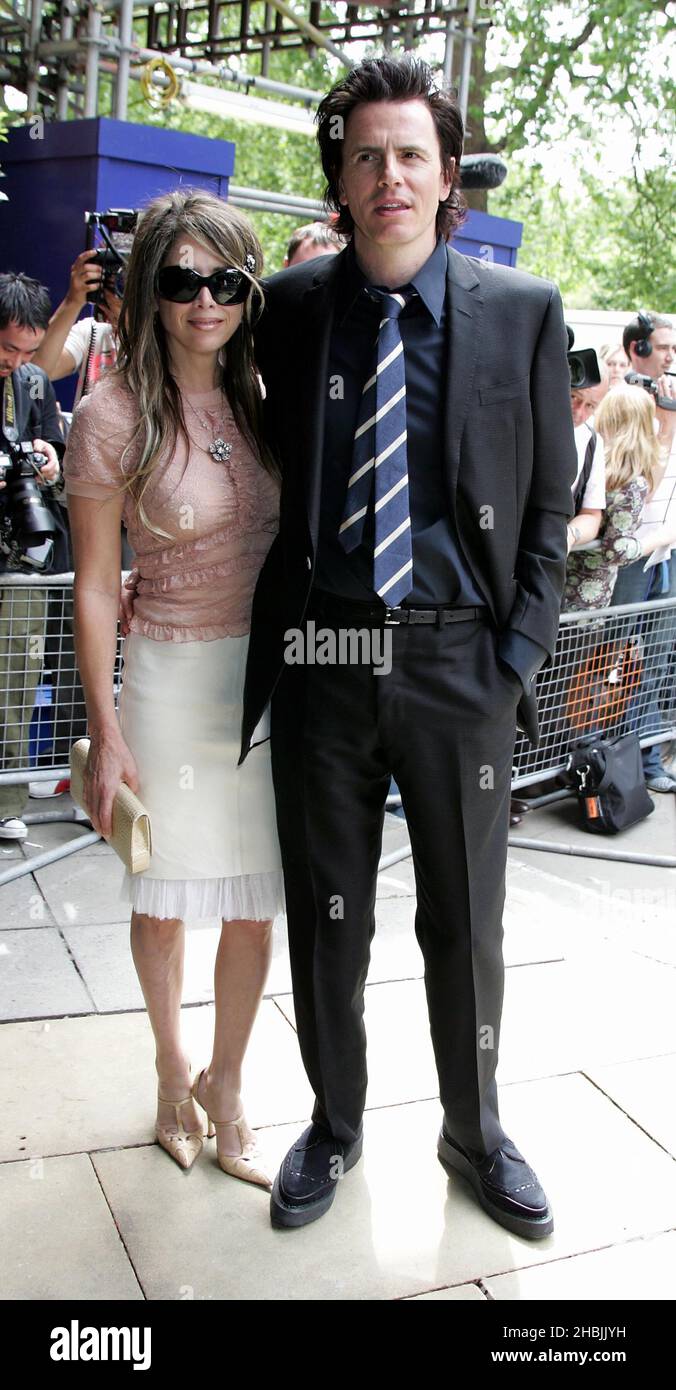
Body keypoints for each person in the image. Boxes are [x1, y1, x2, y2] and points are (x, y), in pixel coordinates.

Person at [242, 56, 577, 1236]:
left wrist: (516, 655)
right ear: (339, 178)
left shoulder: (525, 314)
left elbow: (548, 509)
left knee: (464, 923)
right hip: (326, 654)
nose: (390, 176)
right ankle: (334, 1125)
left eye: (412, 156)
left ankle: (473, 1130)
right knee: (328, 911)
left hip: (458, 665)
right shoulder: (287, 313)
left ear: (447, 184)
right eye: (367, 155)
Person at [63, 190, 283, 1186]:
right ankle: (167, 1071)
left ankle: (226, 1080)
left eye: (225, 280)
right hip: (164, 675)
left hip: (267, 682)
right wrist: (107, 733)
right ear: (151, 290)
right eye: (184, 281)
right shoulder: (110, 416)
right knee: (161, 895)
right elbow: (98, 585)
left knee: (255, 900)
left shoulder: (267, 396)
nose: (205, 301)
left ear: (247, 288)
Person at [0, 272, 65, 841]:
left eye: (27, 349)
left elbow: (55, 459)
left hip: (21, 557)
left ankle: (6, 801)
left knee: (17, 677)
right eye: (6, 347)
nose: (16, 360)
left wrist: (49, 460)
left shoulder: (35, 383)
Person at [611, 312, 676, 790]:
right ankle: (607, 764)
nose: (671, 356)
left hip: (664, 556)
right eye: (664, 347)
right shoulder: (627, 404)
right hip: (633, 554)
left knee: (652, 661)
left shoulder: (668, 400)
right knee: (612, 662)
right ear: (638, 348)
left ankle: (648, 763)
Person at [563, 385, 672, 610]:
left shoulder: (590, 462)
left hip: (557, 587)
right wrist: (661, 537)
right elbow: (617, 550)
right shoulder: (631, 483)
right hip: (588, 601)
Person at [32, 249, 119, 408]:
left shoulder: (166, 338)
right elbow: (37, 373)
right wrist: (73, 301)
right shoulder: (92, 332)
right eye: (118, 280)